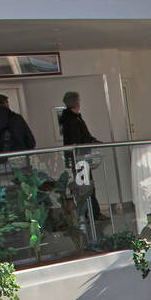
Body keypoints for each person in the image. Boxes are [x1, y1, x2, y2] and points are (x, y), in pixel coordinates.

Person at [59, 91, 106, 221]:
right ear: (76, 102)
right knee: (86, 186)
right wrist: (91, 142)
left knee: (85, 185)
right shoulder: (73, 120)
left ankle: (90, 213)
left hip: (79, 158)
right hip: (80, 158)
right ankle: (91, 213)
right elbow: (80, 139)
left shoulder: (70, 119)